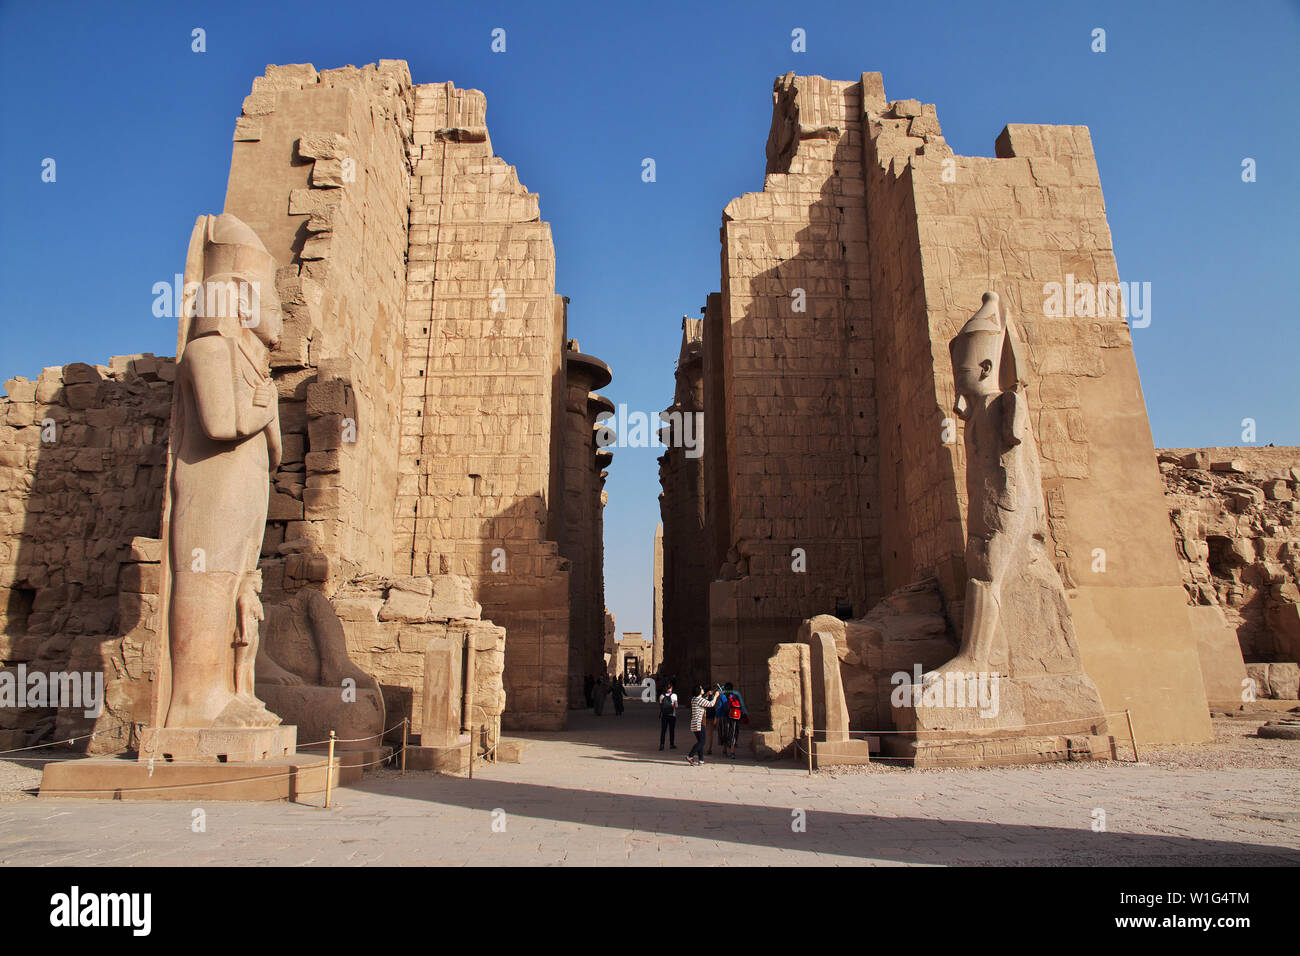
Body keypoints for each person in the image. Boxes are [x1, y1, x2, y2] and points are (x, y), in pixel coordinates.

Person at [686, 683, 719, 765]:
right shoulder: (699, 700)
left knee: (700, 741)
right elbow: (711, 704)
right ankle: (690, 756)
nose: (703, 689)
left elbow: (702, 700)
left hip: (695, 723)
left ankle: (701, 760)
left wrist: (707, 694)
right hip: (700, 723)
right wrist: (715, 696)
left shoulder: (694, 699)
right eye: (701, 689)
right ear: (699, 691)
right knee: (702, 742)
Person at [715, 682, 748, 759]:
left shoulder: (722, 695)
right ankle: (732, 752)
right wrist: (745, 714)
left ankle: (724, 750)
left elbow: (719, 707)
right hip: (734, 717)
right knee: (733, 733)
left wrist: (716, 718)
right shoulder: (736, 694)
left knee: (725, 732)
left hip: (724, 717)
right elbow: (742, 705)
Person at [658, 682, 678, 750]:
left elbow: (660, 705)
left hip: (664, 715)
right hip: (672, 715)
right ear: (671, 688)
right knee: (671, 730)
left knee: (663, 730)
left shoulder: (662, 696)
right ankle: (671, 744)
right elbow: (676, 706)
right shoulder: (674, 696)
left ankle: (662, 744)